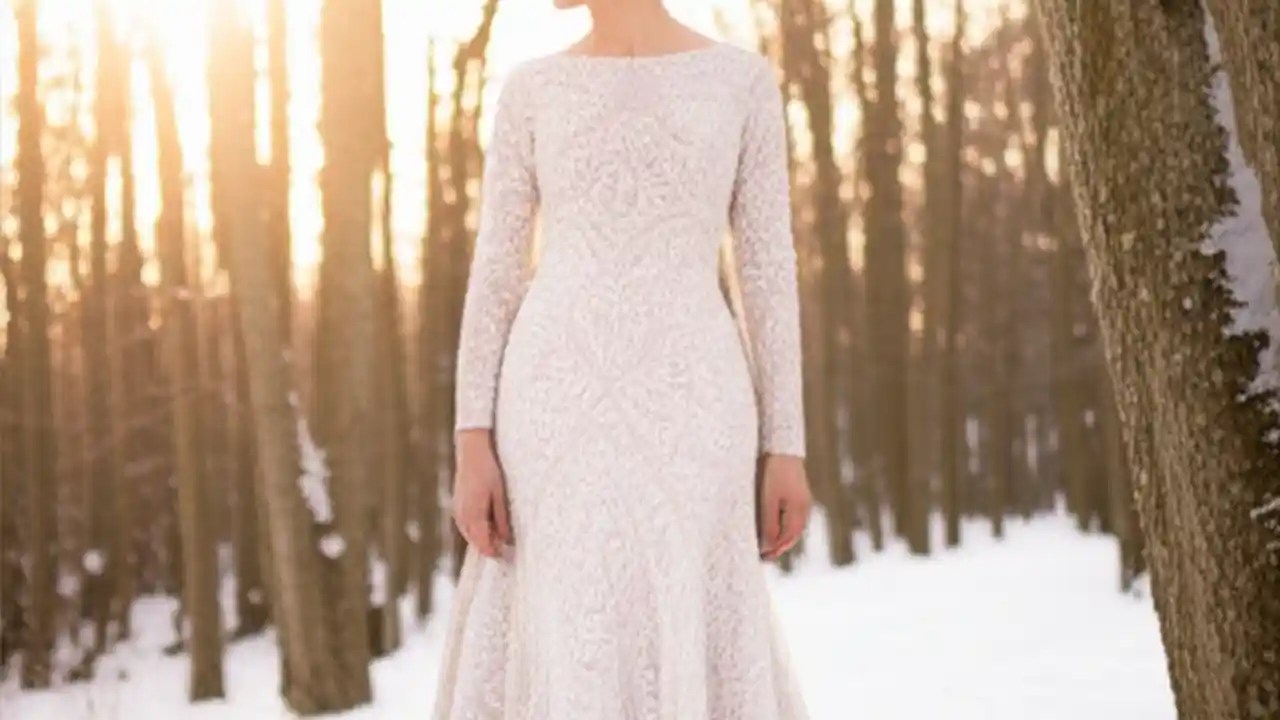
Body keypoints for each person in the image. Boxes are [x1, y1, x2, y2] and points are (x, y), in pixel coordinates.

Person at [432, 0, 813, 717]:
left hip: (696, 402)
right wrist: (471, 438)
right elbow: (497, 270)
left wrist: (785, 445)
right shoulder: (532, 88)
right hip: (552, 405)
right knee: (567, 615)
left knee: (682, 591)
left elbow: (767, 271)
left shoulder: (741, 82)